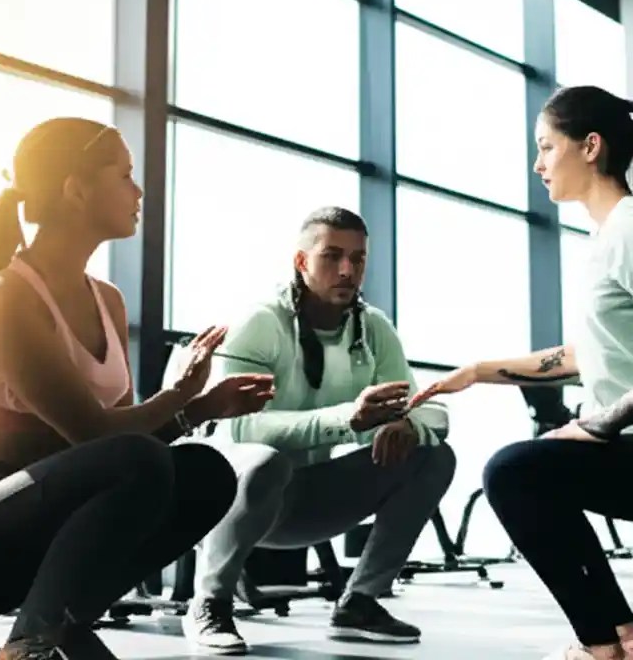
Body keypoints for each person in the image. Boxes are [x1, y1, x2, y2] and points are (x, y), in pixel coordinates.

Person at [0, 118, 275, 660]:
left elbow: (121, 450)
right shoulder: (3, 298)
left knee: (206, 473)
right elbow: (93, 435)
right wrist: (179, 400)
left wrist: (206, 407)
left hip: (49, 533)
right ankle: (31, 644)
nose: (138, 190)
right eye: (123, 174)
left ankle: (65, 621)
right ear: (75, 189)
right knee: (137, 459)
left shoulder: (108, 301)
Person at [409, 86, 633, 660]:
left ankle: (600, 647)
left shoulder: (631, 228)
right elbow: (580, 356)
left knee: (514, 472)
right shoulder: (609, 236)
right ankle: (620, 641)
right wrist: (477, 371)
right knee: (536, 474)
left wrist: (599, 425)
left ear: (590, 147)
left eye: (546, 147)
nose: (537, 163)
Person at [170, 207, 455, 655]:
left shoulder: (374, 328)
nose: (347, 270)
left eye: (358, 259)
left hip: (304, 504)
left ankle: (360, 602)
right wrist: (349, 419)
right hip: (233, 501)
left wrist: (404, 423)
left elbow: (431, 411)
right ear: (302, 262)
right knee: (266, 460)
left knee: (434, 455)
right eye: (332, 256)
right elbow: (241, 428)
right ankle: (209, 602)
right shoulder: (260, 322)